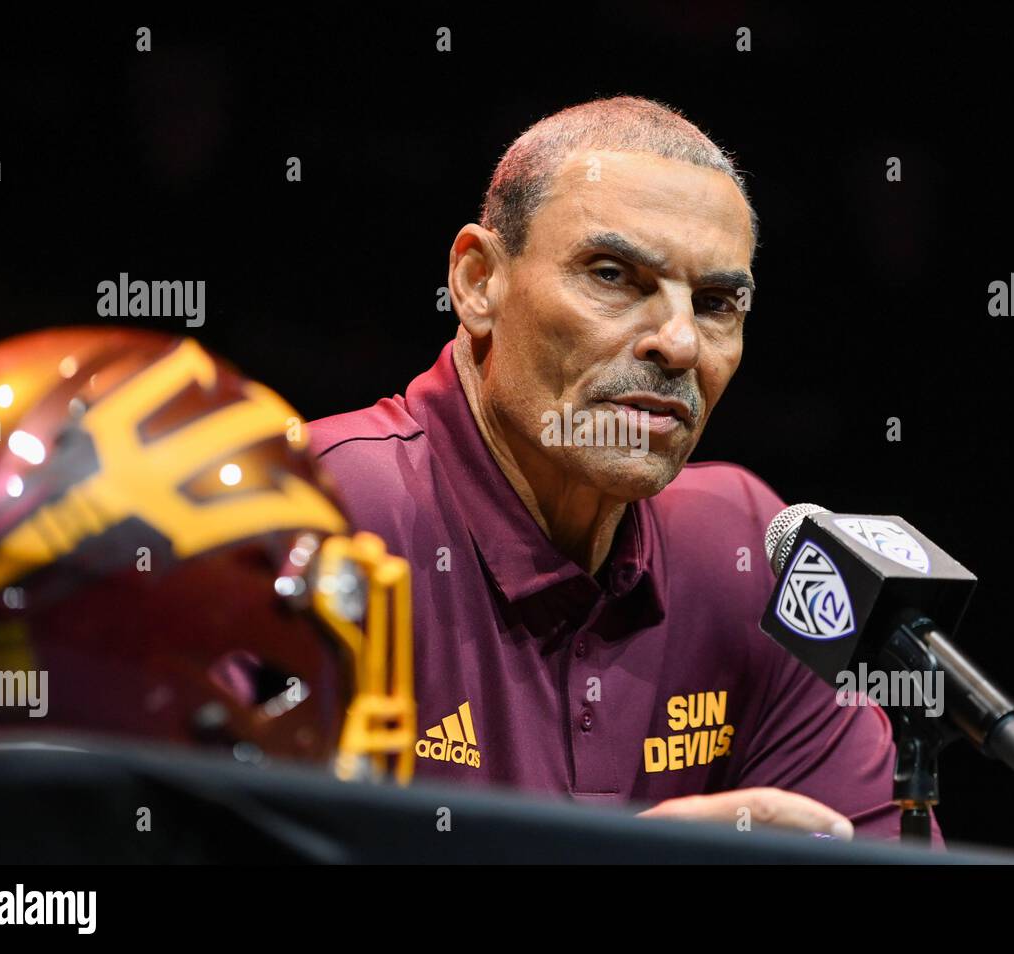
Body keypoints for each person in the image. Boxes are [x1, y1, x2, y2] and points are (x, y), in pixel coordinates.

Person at [310, 95, 944, 844]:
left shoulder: (742, 547)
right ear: (478, 281)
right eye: (613, 275)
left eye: (714, 303)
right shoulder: (316, 511)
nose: (678, 344)